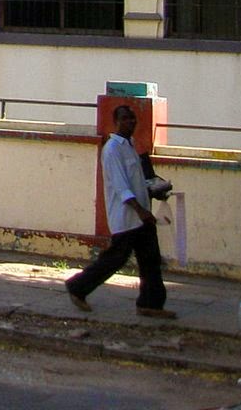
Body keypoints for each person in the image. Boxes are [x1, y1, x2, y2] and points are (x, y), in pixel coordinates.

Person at [64, 104, 174, 319]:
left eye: (132, 118)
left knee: (150, 259)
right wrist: (140, 211)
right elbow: (121, 186)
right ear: (116, 122)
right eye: (125, 119)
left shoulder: (130, 145)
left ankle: (151, 304)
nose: (130, 122)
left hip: (142, 216)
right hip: (127, 217)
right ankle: (78, 287)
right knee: (115, 258)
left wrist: (156, 190)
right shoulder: (112, 149)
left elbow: (138, 180)